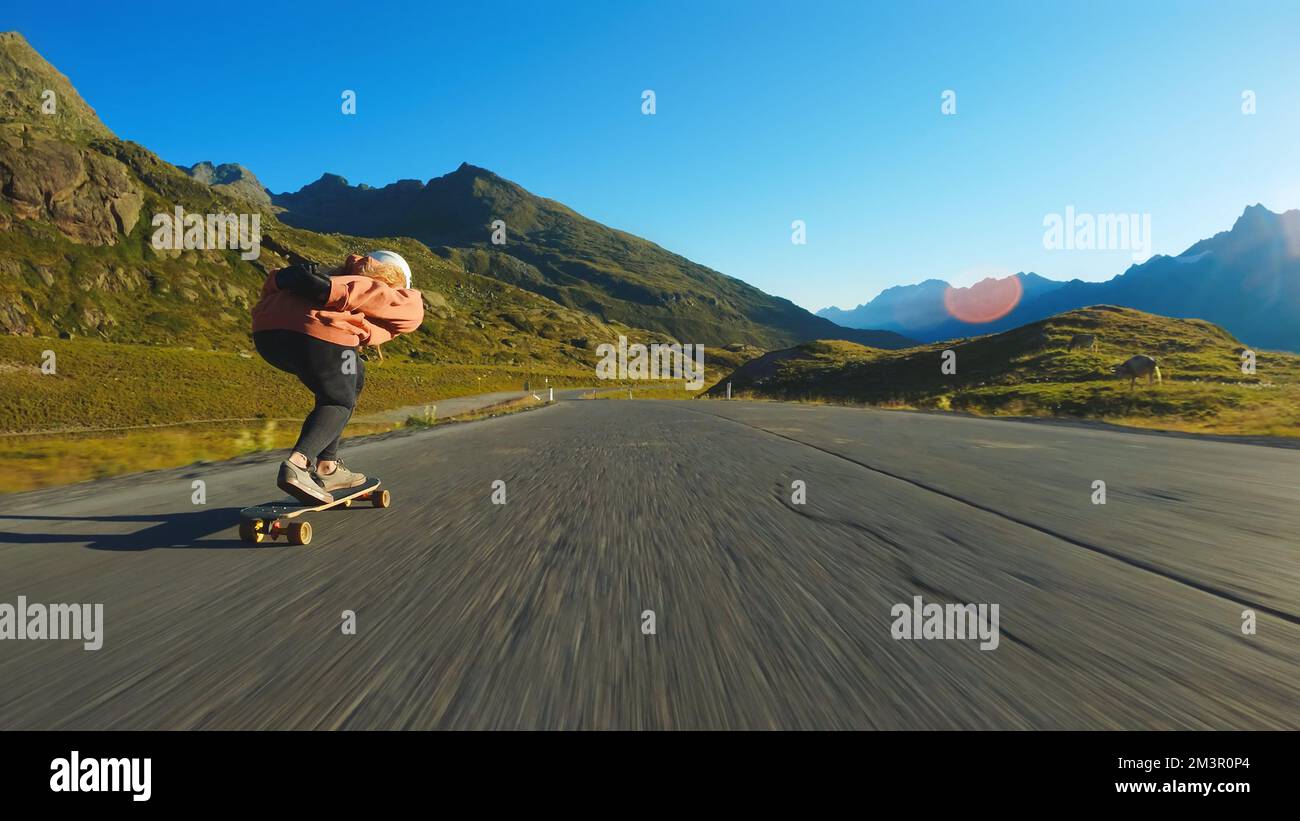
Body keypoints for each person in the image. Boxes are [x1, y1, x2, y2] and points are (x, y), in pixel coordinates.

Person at [251, 250, 424, 503]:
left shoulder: (331, 273)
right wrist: (327, 291)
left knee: (354, 375)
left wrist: (282, 280)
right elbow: (385, 299)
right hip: (316, 333)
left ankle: (328, 467)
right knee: (338, 401)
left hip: (268, 335)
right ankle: (298, 465)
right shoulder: (382, 288)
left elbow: (277, 282)